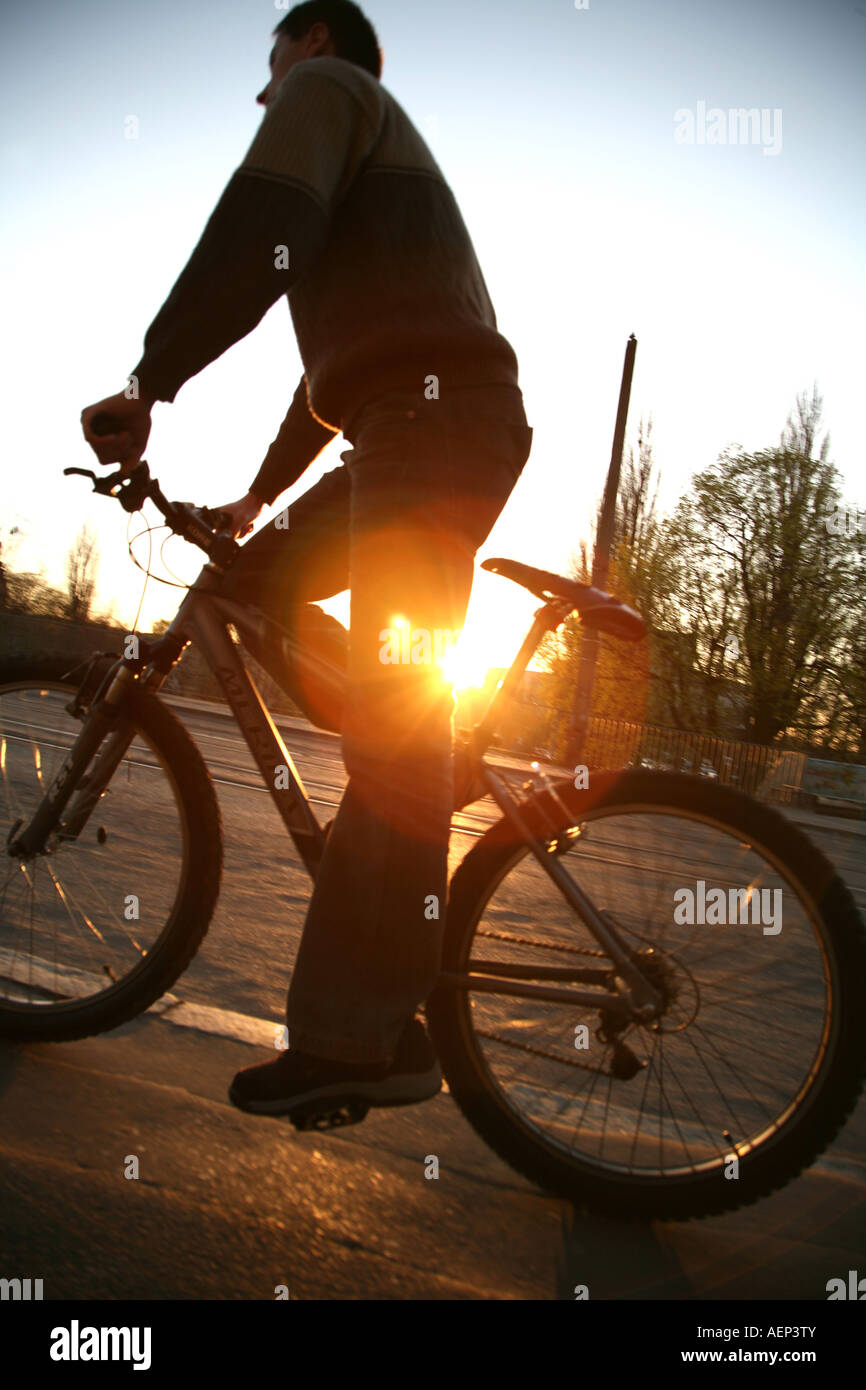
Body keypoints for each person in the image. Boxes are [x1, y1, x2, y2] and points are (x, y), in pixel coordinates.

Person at [80, 1, 532, 1120]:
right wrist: (258, 498)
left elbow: (257, 232)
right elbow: (324, 375)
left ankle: (361, 1036)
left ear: (314, 45)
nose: (260, 91)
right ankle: (416, 778)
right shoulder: (370, 176)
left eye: (269, 63)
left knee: (389, 727)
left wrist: (149, 381)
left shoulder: (332, 94)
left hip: (429, 429)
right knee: (245, 583)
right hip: (411, 422)